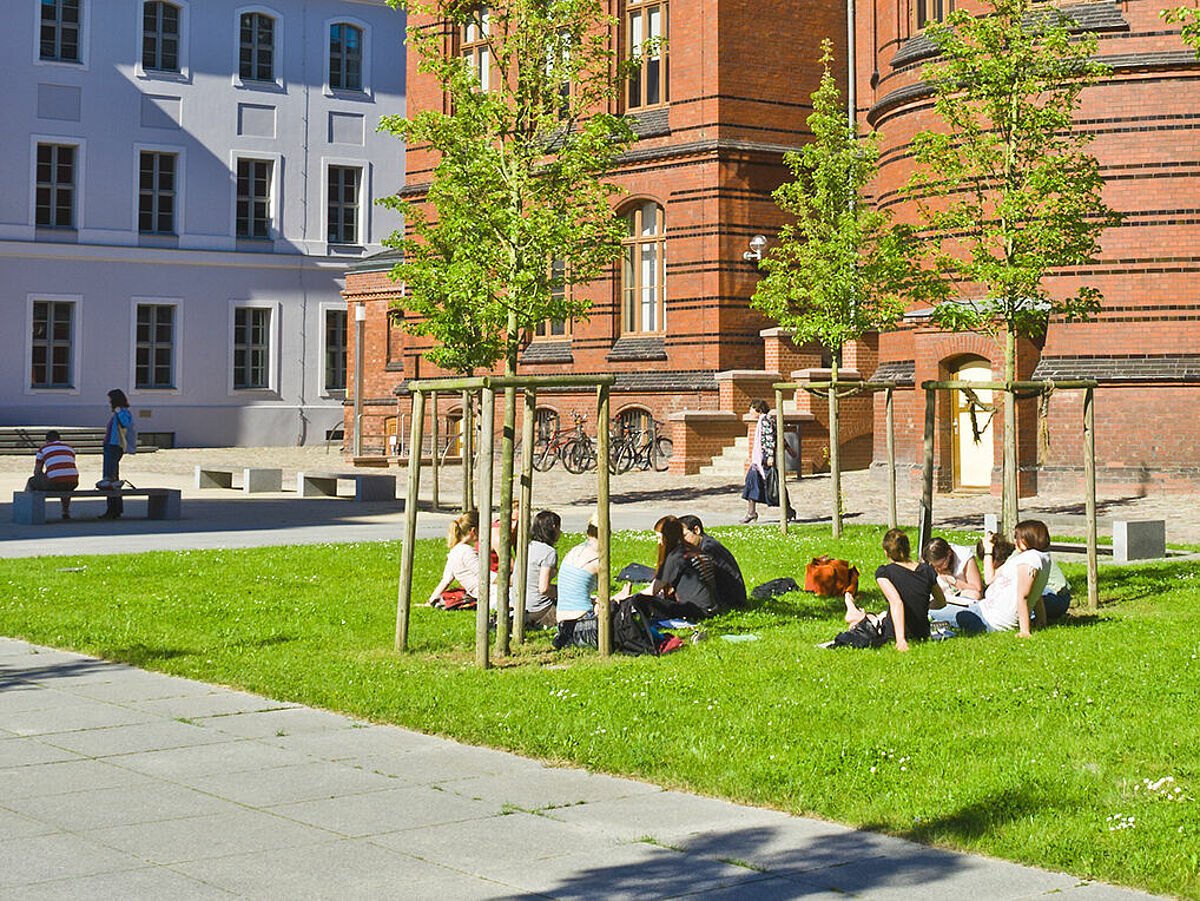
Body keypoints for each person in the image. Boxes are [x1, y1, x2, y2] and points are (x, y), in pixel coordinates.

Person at [930, 520, 1052, 637]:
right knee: (944, 606)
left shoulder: (1029, 560)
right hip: (983, 609)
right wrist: (1042, 623)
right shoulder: (1035, 558)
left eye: (1017, 537)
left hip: (989, 620)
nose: (1014, 541)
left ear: (1026, 539)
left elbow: (1023, 596)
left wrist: (1024, 631)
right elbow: (1037, 595)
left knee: (930, 611)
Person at [842, 528, 946, 651]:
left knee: (873, 621)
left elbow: (896, 602)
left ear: (886, 552)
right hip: (921, 632)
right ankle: (856, 614)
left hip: (894, 632)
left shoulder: (885, 573)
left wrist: (900, 640)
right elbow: (941, 602)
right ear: (908, 549)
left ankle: (855, 613)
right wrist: (920, 606)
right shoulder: (927, 571)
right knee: (882, 615)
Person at [650, 515, 719, 620]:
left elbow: (652, 591)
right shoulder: (694, 550)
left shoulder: (676, 556)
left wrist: (630, 598)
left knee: (643, 601)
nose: (659, 542)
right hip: (712, 609)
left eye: (660, 538)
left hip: (696, 611)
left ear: (668, 537)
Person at [740, 400, 795, 523]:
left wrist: (770, 456)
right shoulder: (764, 420)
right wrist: (788, 448)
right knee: (751, 481)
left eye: (752, 409)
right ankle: (751, 512)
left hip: (764, 457)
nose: (750, 412)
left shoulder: (765, 420)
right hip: (758, 460)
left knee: (773, 484)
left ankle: (788, 509)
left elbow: (771, 437)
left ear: (758, 409)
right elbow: (777, 435)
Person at [553, 514, 602, 648]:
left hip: (562, 621)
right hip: (583, 622)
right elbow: (604, 599)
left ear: (587, 533)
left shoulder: (574, 551)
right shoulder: (598, 561)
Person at [679, 514, 746, 609]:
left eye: (684, 536)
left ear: (696, 530)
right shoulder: (705, 545)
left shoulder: (708, 549)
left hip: (729, 601)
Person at [428, 511, 482, 606]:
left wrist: (430, 601)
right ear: (474, 530)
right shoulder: (467, 552)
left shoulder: (455, 551)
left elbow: (446, 580)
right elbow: (484, 576)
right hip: (484, 592)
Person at [99, 389, 136, 520]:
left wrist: (119, 412)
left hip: (114, 447)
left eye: (110, 399)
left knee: (110, 479)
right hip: (111, 446)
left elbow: (126, 423)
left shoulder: (123, 412)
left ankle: (113, 509)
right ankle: (115, 508)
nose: (109, 402)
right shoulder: (118, 412)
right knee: (112, 478)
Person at [28, 430, 79, 520]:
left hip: (54, 482)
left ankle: (30, 511)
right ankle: (65, 512)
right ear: (59, 439)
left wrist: (42, 477)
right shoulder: (69, 448)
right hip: (73, 481)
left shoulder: (43, 449)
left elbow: (37, 471)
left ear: (47, 440)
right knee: (65, 484)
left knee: (32, 481)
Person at [523, 510, 561, 628]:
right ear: (554, 528)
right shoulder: (548, 553)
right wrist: (564, 593)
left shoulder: (527, 547)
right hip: (538, 609)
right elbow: (544, 589)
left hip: (520, 606)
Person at [922, 536, 984, 604]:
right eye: (933, 566)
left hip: (961, 597)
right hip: (938, 599)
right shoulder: (927, 561)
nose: (937, 569)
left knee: (975, 595)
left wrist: (954, 581)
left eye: (940, 565)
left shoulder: (964, 556)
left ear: (949, 554)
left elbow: (977, 589)